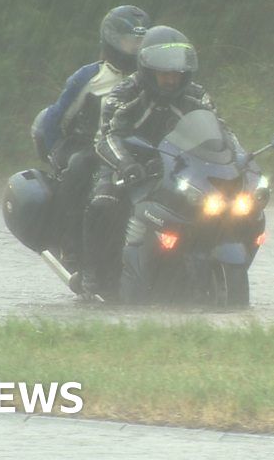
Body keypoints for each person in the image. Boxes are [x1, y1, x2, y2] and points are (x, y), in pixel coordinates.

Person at [81, 25, 220, 298]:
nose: (171, 80)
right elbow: (106, 138)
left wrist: (235, 159)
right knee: (104, 205)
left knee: (220, 208)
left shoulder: (197, 95)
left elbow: (219, 131)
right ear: (148, 71)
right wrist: (125, 164)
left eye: (177, 74)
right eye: (164, 74)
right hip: (128, 166)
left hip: (179, 168)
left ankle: (206, 268)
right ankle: (92, 275)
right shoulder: (124, 94)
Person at [30, 5, 151, 271]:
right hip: (95, 149)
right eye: (129, 41)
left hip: (141, 152)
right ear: (111, 40)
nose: (134, 48)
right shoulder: (89, 77)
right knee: (78, 168)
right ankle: (71, 245)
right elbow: (54, 120)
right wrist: (57, 157)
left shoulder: (152, 78)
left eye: (140, 42)